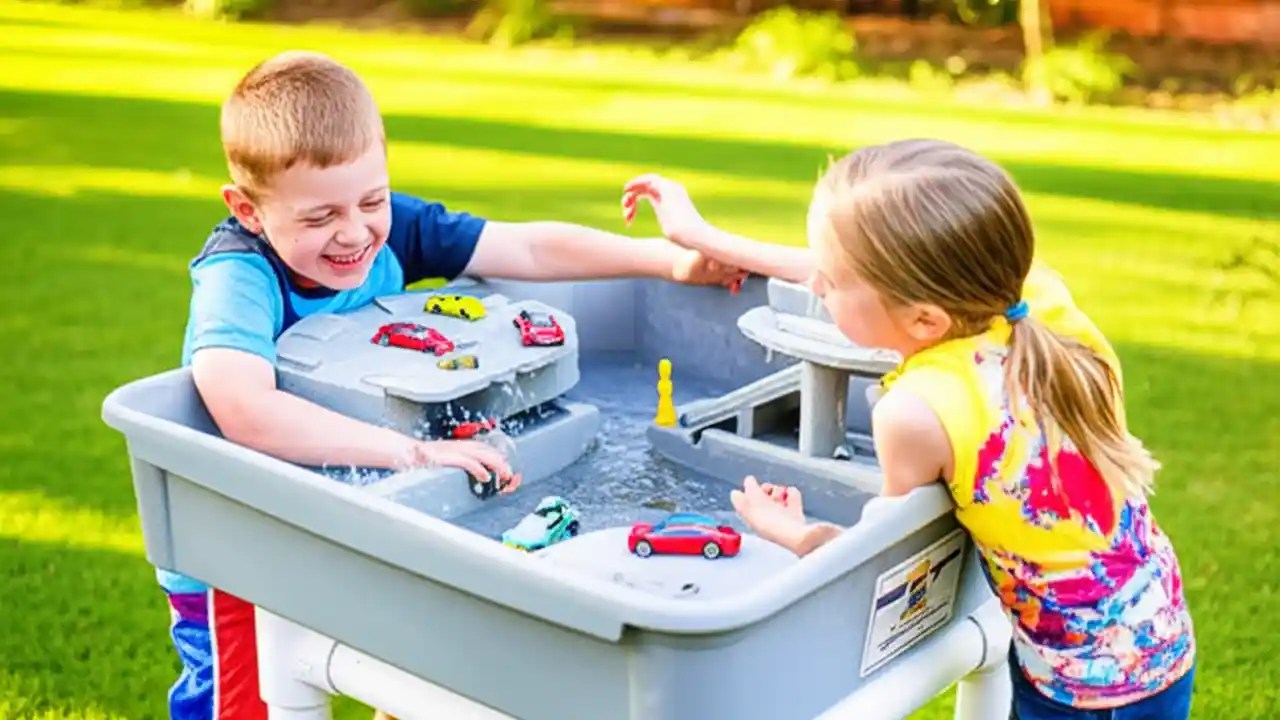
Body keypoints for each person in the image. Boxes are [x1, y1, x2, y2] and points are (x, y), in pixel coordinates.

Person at [164, 50, 745, 720]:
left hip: (350, 514)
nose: (355, 233)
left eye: (372, 201)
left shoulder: (392, 231)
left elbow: (525, 250)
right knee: (251, 707)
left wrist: (669, 262)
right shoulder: (239, 272)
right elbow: (244, 409)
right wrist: (413, 452)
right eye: (320, 218)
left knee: (415, 675)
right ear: (249, 209)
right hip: (238, 550)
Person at [621, 139, 1196, 719]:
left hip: (1084, 692)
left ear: (926, 319)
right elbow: (855, 272)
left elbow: (886, 566)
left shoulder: (917, 412)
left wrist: (794, 532)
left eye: (833, 280)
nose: (815, 284)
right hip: (1157, 632)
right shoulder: (1034, 299)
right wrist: (703, 237)